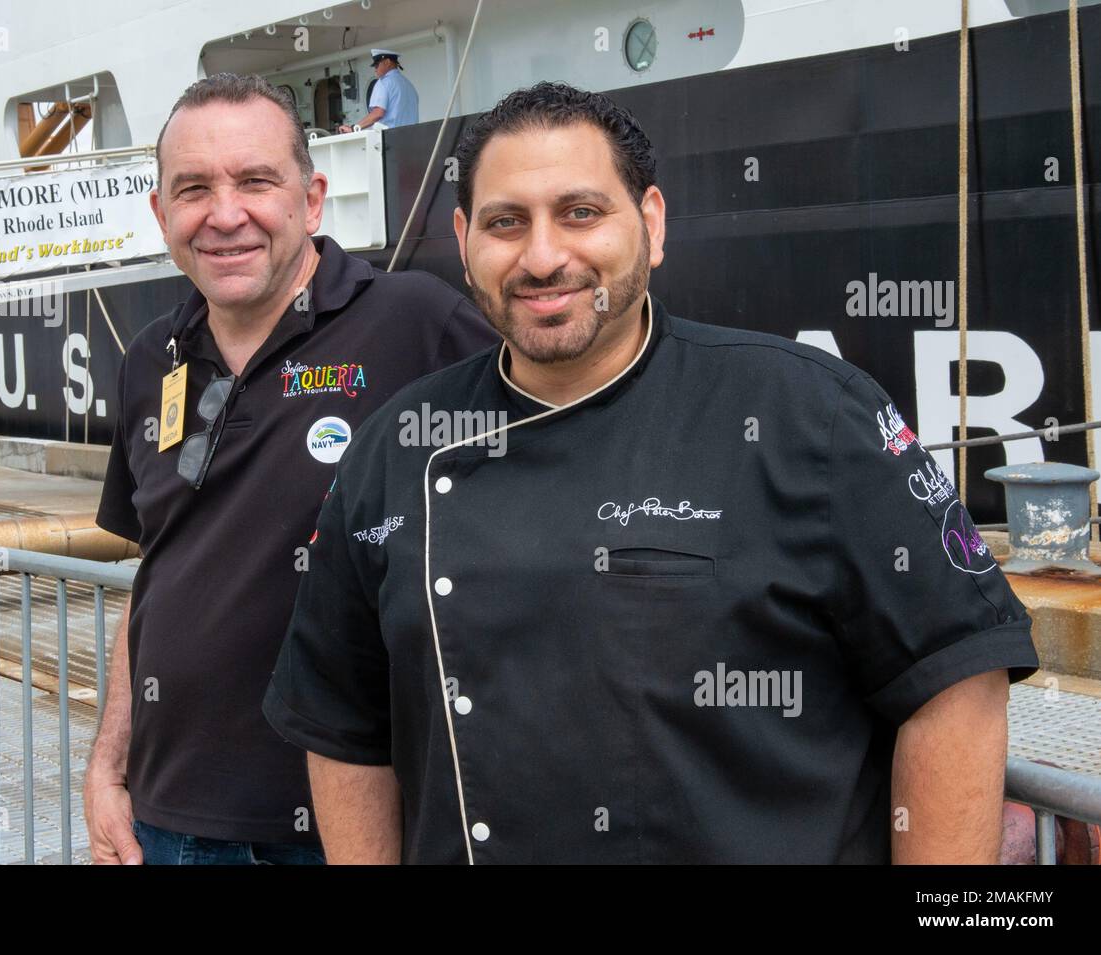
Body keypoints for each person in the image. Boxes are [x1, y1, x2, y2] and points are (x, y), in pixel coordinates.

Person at [264, 82, 1041, 864]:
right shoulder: (395, 447)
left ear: (653, 222)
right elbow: (343, 725)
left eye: (580, 212)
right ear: (464, 242)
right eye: (506, 223)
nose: (542, 257)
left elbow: (954, 682)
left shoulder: (814, 413)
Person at [86, 73, 497, 865]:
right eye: (194, 188)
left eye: (254, 181)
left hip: (349, 831)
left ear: (311, 200)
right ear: (161, 213)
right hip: (162, 826)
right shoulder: (151, 357)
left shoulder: (414, 323)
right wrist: (108, 765)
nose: (225, 212)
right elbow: (158, 570)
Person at [337, 49, 419, 133]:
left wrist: (354, 128)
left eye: (376, 65)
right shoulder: (409, 85)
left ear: (387, 62)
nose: (375, 69)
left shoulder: (384, 82)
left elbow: (378, 113)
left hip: (391, 139)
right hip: (412, 138)